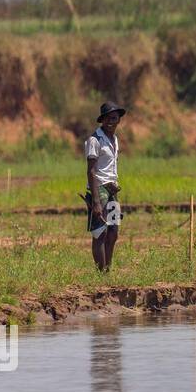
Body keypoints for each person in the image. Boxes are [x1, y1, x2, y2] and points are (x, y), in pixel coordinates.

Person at [85, 101, 126, 272]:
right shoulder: (94, 140)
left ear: (118, 120)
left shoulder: (114, 140)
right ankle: (100, 273)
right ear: (102, 120)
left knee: (113, 232)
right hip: (99, 189)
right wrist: (95, 201)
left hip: (112, 189)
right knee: (100, 233)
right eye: (108, 118)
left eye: (114, 118)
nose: (111, 121)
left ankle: (107, 270)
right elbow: (92, 171)